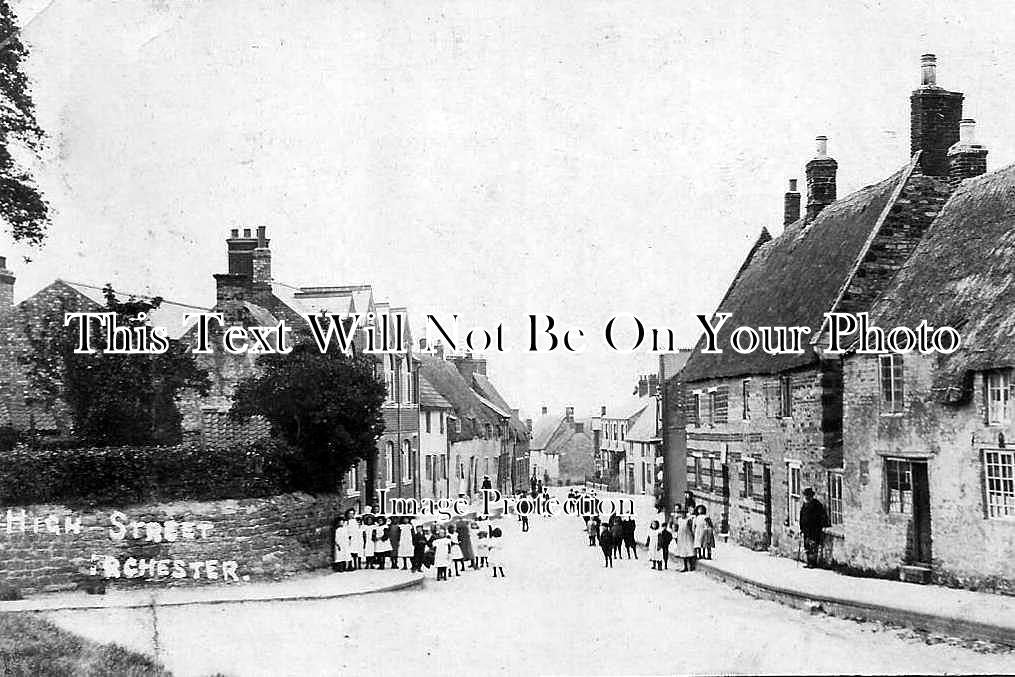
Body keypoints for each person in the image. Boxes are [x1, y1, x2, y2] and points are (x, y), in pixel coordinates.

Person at [799, 487, 830, 568]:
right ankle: (809, 562)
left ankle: (813, 563)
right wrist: (801, 528)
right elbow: (801, 516)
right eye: (805, 495)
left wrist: (820, 526)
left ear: (811, 496)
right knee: (807, 546)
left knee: (813, 546)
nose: (806, 497)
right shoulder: (805, 504)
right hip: (806, 530)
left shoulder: (816, 505)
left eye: (808, 496)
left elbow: (820, 517)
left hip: (814, 529)